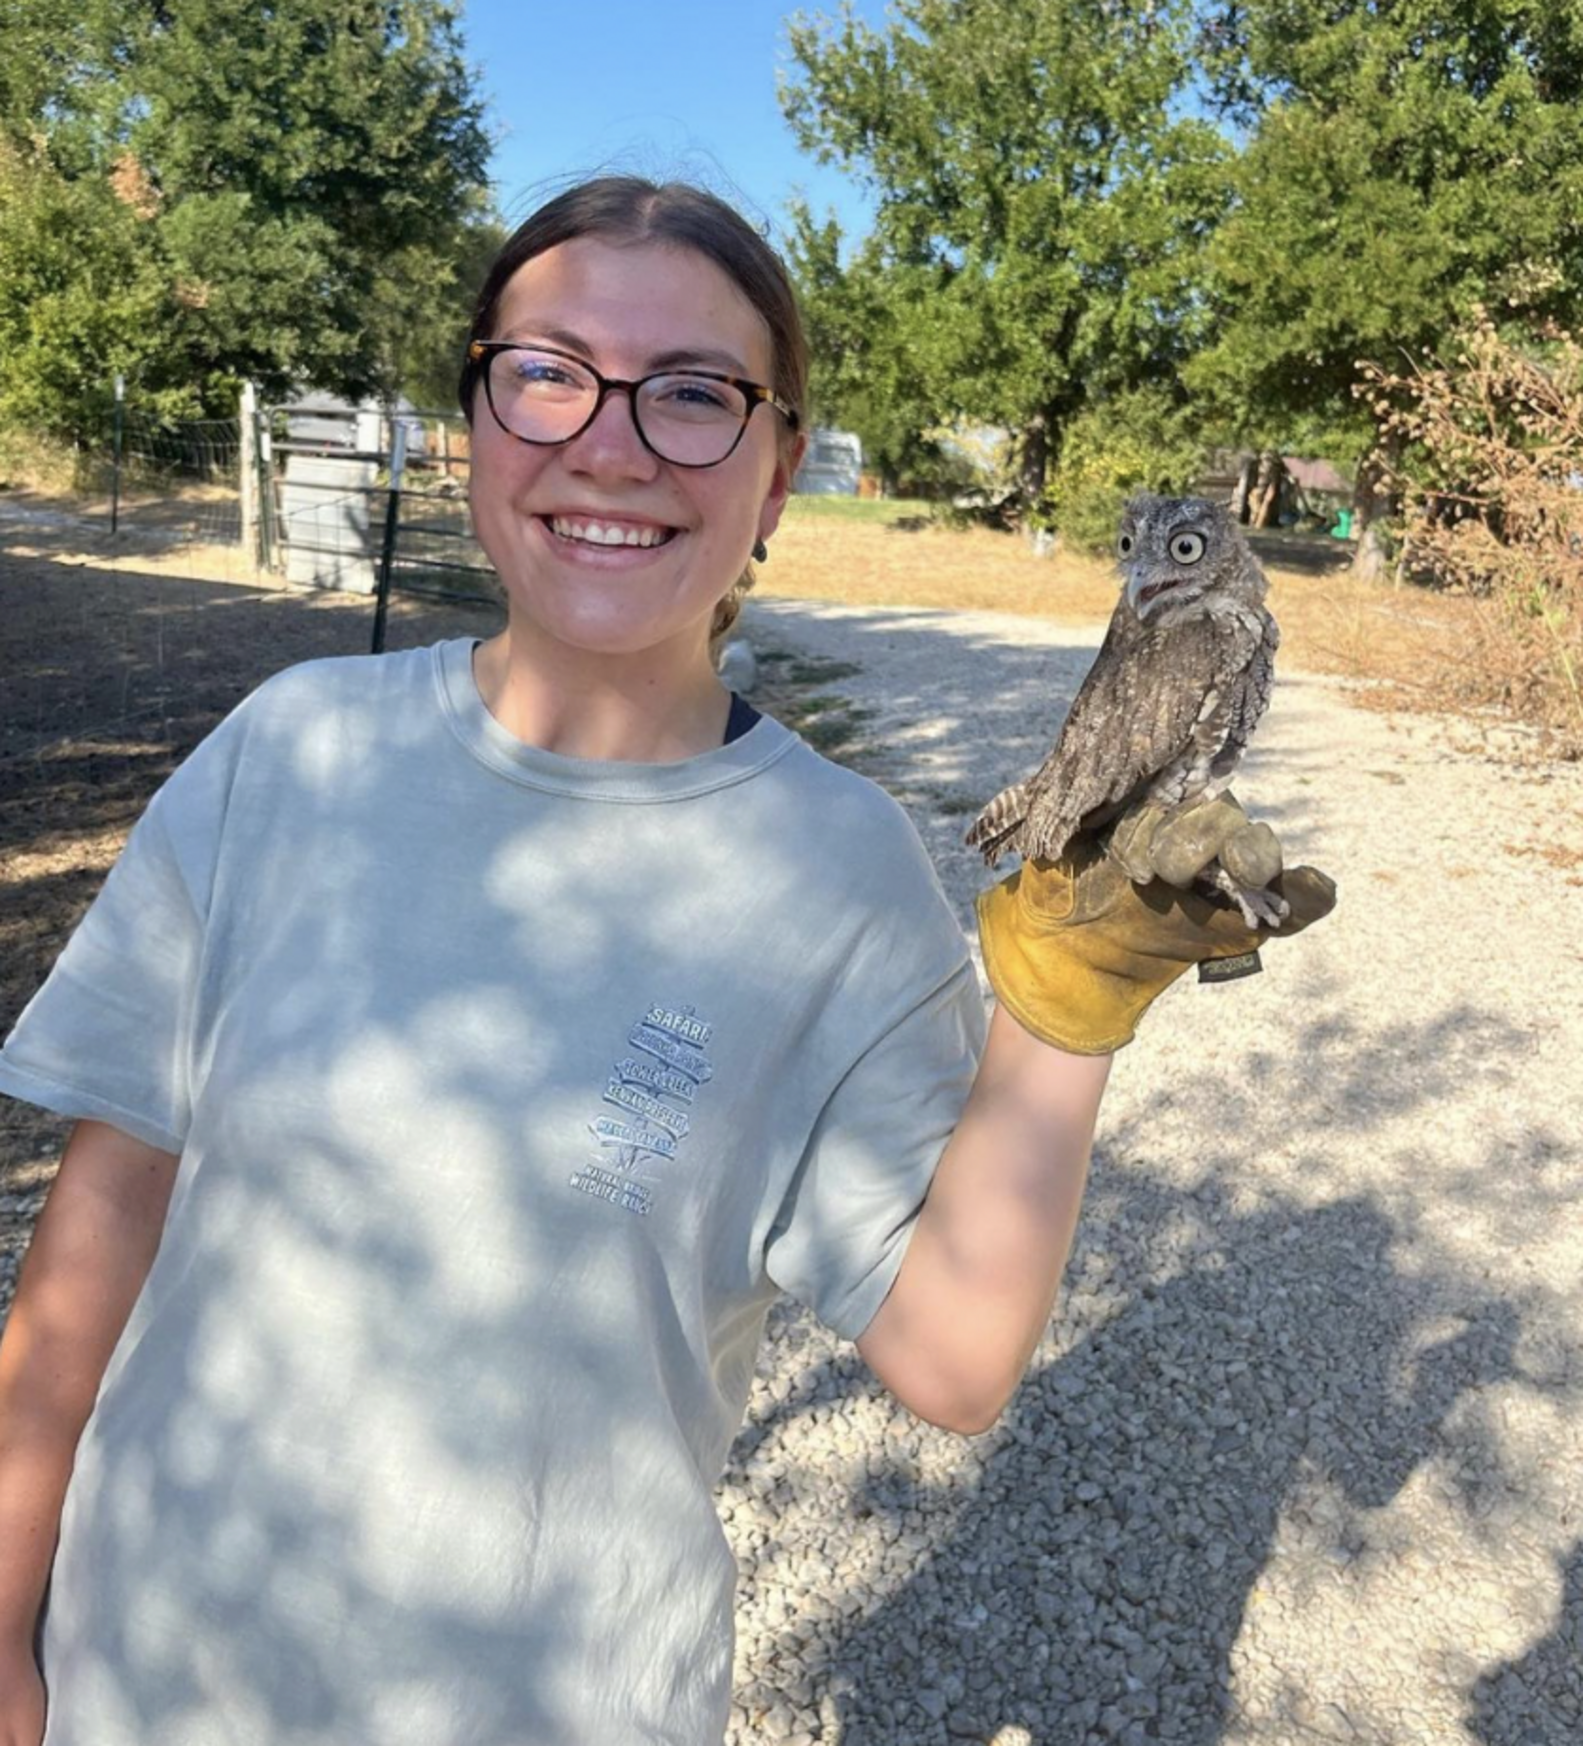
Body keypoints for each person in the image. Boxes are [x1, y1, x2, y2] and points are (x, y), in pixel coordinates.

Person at [0, 176, 1334, 1746]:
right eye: (547, 371)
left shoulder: (837, 877)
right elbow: (99, 1232)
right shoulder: (291, 751)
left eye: (694, 394)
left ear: (775, 477)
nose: (611, 440)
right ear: (476, 427)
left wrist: (1066, 1008)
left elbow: (955, 1353)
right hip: (144, 1678)